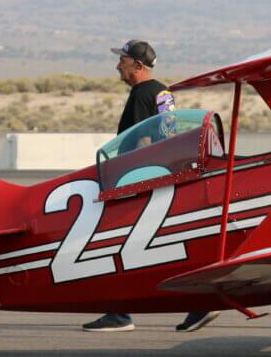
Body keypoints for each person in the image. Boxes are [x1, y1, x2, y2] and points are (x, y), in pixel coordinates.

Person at [82, 39, 220, 333]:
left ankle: (120, 312)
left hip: (143, 180)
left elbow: (142, 141)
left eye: (123, 60)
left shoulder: (141, 93)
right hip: (164, 175)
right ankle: (197, 302)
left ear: (138, 66)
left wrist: (127, 184)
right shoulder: (162, 91)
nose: (118, 65)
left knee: (117, 241)